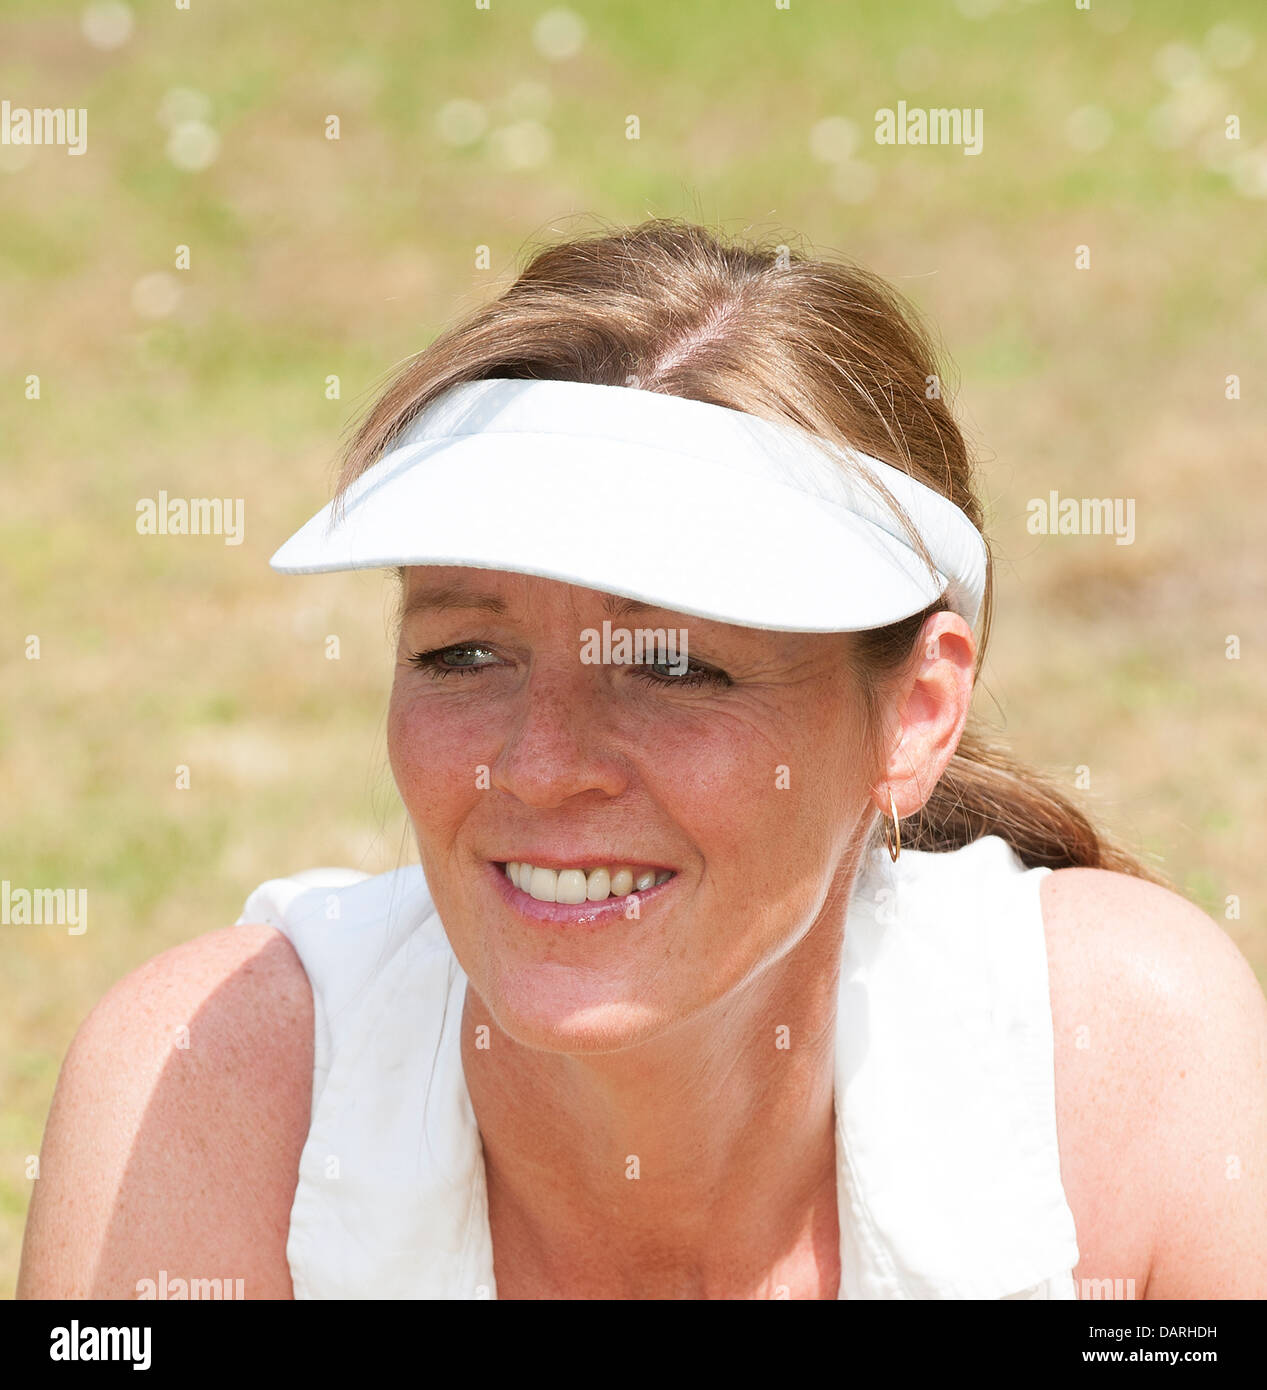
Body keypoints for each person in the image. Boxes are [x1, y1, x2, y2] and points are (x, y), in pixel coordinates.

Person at [19, 220, 1267, 1300]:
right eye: (463, 654)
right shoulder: (202, 1091)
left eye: (671, 668)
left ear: (916, 712)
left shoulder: (1120, 1062)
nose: (543, 765)